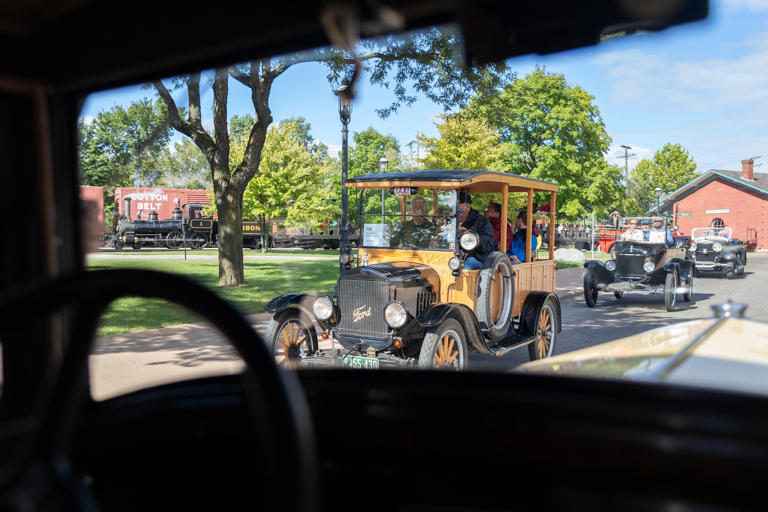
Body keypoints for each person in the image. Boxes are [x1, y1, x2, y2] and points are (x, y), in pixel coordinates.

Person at [457, 192, 494, 270]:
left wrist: (471, 236)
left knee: (469, 262)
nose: (455, 206)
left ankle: (464, 282)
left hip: (477, 258)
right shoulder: (450, 220)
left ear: (468, 205)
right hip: (452, 257)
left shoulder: (482, 221)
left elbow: (488, 243)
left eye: (458, 203)